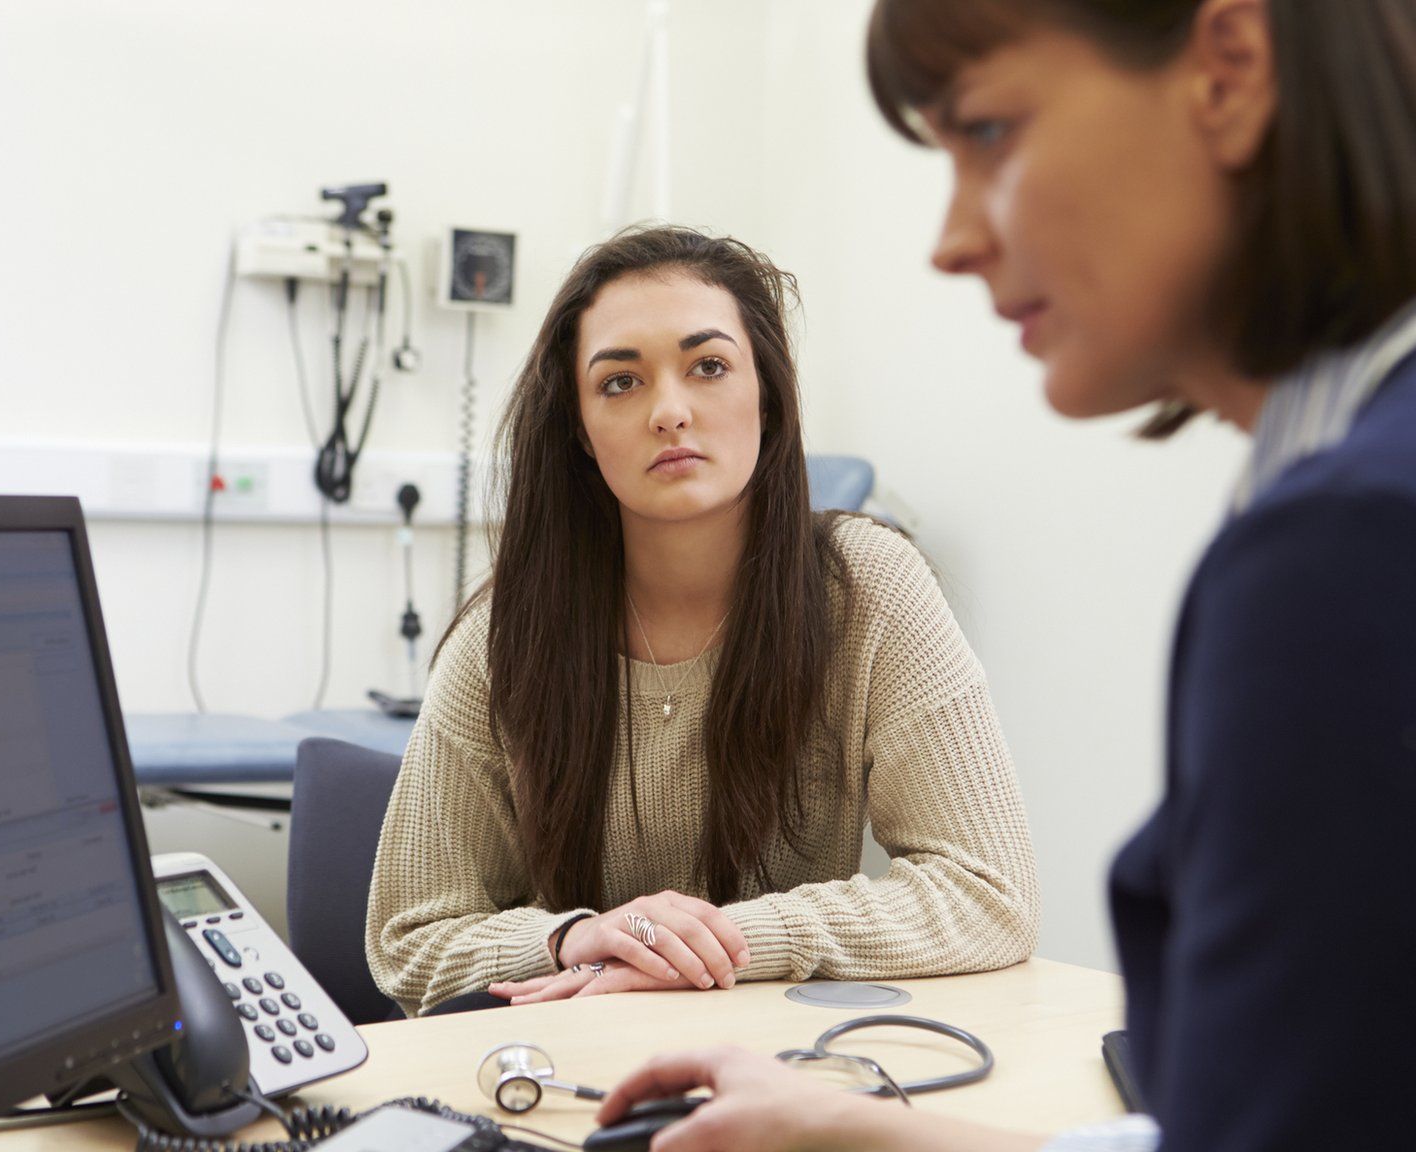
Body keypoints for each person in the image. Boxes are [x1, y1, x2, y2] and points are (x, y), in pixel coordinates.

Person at [595, 1, 1416, 1150]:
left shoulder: (1383, 547)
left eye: (987, 135)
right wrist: (854, 1132)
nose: (951, 239)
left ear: (1227, 71)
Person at [363, 225, 1040, 1018]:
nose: (670, 411)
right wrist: (574, 939)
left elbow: (989, 892)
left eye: (709, 366)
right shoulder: (506, 635)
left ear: (769, 396)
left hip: (787, 1074)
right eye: (621, 382)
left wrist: (720, 944)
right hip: (577, 1068)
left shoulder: (867, 587)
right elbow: (411, 939)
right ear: (579, 431)